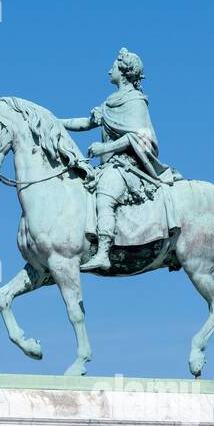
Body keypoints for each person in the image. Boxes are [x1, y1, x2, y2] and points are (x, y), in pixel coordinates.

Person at [60, 48, 181, 272]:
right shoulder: (110, 103)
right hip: (109, 165)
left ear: (124, 72)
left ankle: (104, 252)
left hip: (129, 167)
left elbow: (137, 136)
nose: (109, 70)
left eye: (113, 67)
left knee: (106, 191)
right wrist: (56, 121)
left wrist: (105, 147)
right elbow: (85, 123)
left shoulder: (136, 101)